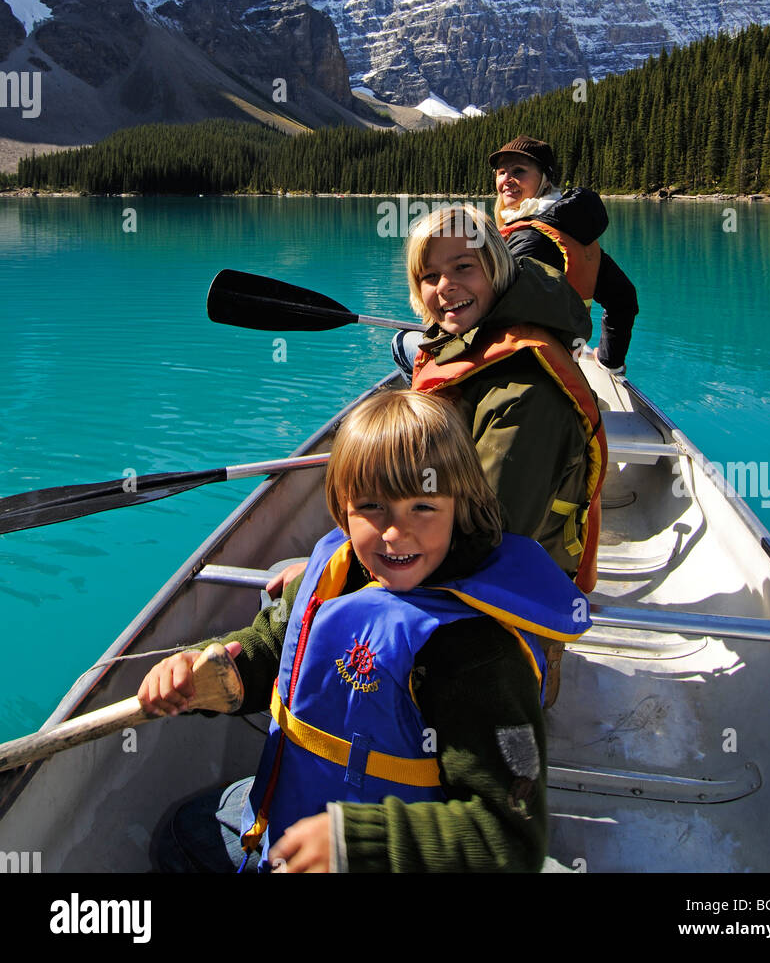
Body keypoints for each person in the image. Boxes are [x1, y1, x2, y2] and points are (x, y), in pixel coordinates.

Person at [137, 389, 589, 874]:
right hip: (293, 817)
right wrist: (205, 670)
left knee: (187, 840)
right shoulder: (338, 570)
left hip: (383, 854)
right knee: (183, 832)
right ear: (341, 507)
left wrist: (355, 842)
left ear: (461, 505)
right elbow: (272, 647)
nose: (395, 533)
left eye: (422, 507)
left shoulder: (477, 654)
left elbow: (509, 839)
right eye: (372, 506)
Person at [404, 205, 606, 594]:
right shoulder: (465, 343)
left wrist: (352, 568)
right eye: (429, 276)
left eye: (463, 267)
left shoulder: (526, 396)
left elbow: (483, 541)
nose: (444, 285)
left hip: (507, 601)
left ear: (497, 266)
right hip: (436, 556)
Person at [490, 136, 638, 375]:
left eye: (519, 171)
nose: (507, 180)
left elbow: (494, 315)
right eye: (501, 172)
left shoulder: (531, 238)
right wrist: (611, 360)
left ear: (545, 180)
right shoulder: (572, 230)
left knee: (406, 347)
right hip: (562, 363)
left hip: (518, 372)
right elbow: (623, 298)